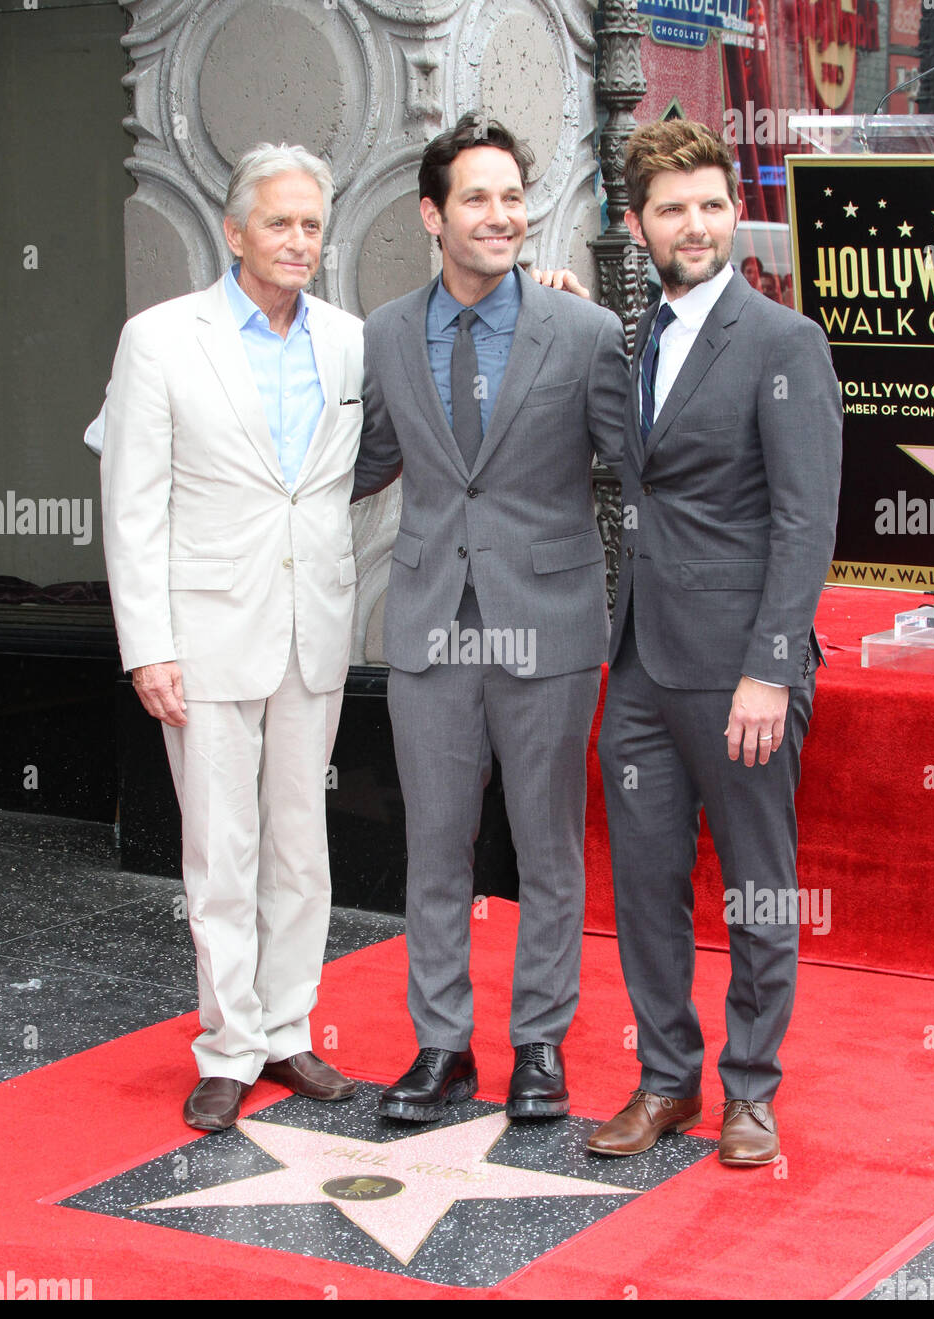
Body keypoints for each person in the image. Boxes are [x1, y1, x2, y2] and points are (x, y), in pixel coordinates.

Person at [353, 113, 629, 1123]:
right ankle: (442, 1047)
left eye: (513, 196)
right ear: (433, 216)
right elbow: (365, 461)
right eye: (476, 197)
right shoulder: (386, 333)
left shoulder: (584, 332)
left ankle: (540, 1044)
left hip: (548, 621)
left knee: (549, 844)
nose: (501, 214)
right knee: (435, 844)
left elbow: (636, 463)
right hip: (431, 621)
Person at [586, 119, 841, 1165]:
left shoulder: (783, 343)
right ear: (638, 225)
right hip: (639, 665)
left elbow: (804, 520)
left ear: (734, 213)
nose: (693, 226)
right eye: (671, 210)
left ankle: (751, 1091)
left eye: (709, 206)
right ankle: (665, 1080)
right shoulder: (632, 341)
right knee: (644, 885)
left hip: (741, 668)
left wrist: (770, 670)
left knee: (757, 883)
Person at [100, 143, 365, 1131]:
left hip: (313, 627)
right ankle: (229, 1044)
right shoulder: (160, 339)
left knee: (301, 844)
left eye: (311, 224)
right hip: (203, 632)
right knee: (219, 849)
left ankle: (287, 1029)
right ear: (234, 230)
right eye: (279, 222)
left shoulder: (350, 341)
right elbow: (133, 504)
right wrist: (147, 645)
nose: (298, 240)